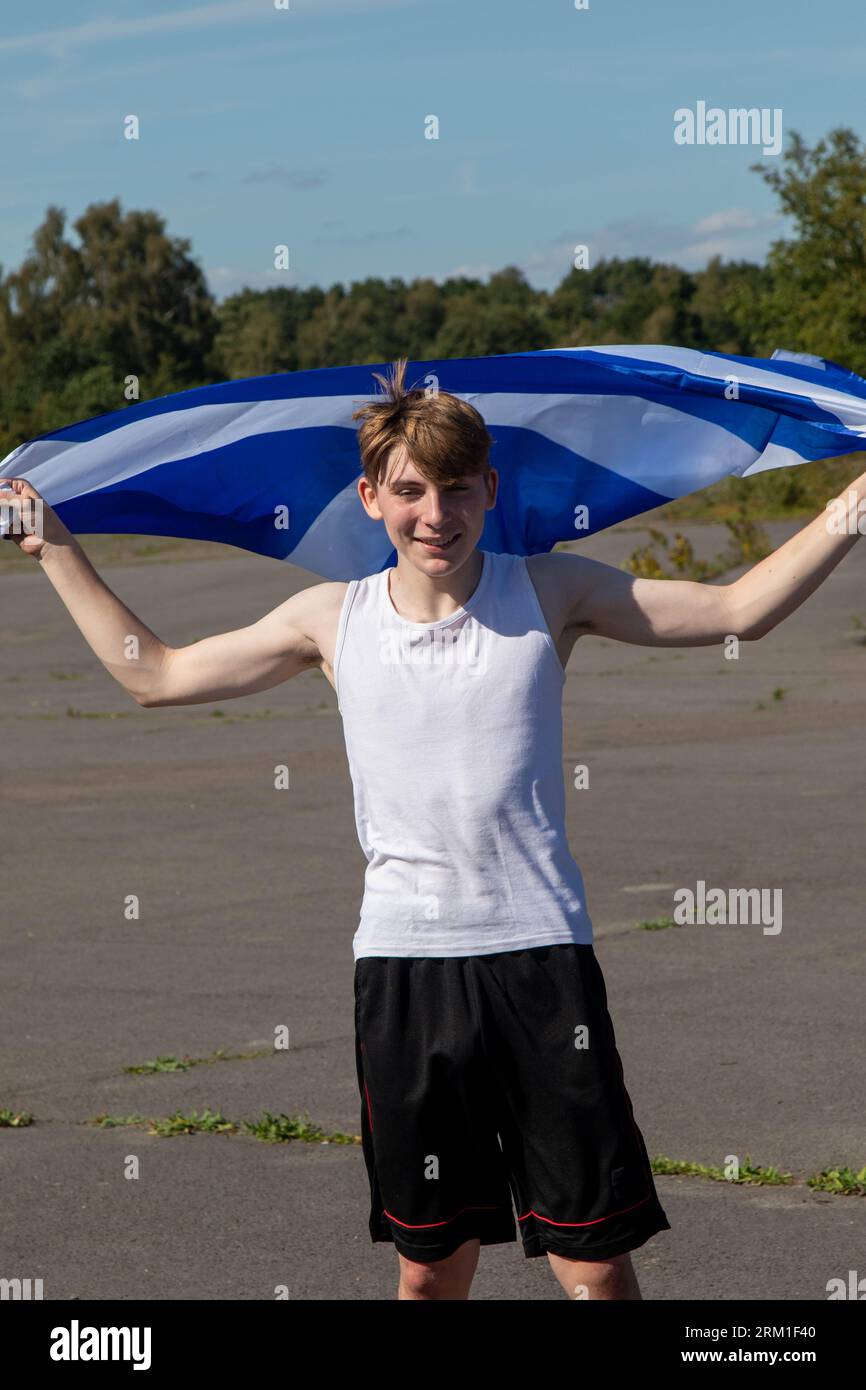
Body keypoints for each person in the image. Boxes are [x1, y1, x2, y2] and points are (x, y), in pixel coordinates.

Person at [2, 358, 863, 1301]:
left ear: (491, 489)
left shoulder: (549, 590)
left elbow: (741, 609)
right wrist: (55, 548)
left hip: (542, 964)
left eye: (457, 489)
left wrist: (849, 509)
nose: (435, 514)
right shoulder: (331, 618)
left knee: (593, 1264)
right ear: (370, 497)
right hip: (407, 972)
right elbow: (154, 675)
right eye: (410, 491)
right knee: (430, 1269)